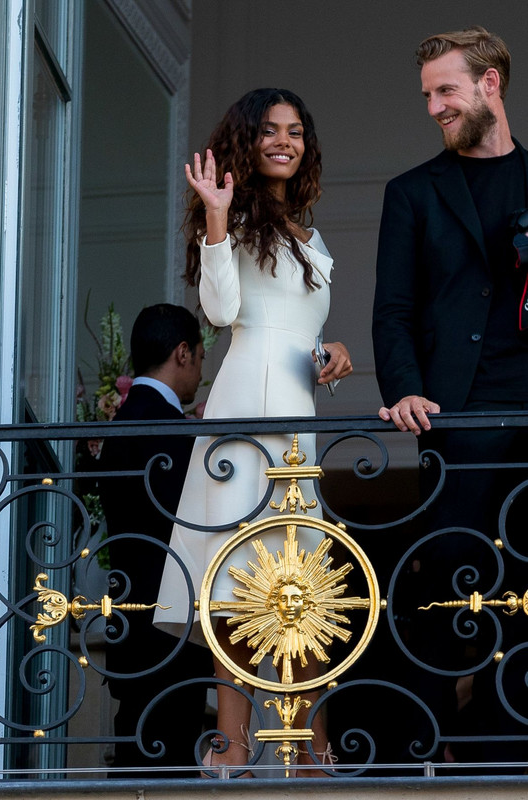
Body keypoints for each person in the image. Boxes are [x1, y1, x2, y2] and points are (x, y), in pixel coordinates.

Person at [154, 88, 353, 776]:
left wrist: (330, 354)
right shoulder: (234, 214)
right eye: (270, 130)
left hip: (297, 409)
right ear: (247, 140)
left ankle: (312, 749)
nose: (284, 140)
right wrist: (215, 218)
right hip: (248, 407)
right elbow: (222, 310)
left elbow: (295, 327)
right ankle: (234, 746)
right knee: (240, 581)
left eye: (295, 131)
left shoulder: (309, 232)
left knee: (305, 587)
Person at [372, 27, 528, 766]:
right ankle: (438, 749)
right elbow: (393, 310)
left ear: (491, 83)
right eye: (428, 94)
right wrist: (404, 387)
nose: (434, 106)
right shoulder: (411, 193)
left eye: (447, 91)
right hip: (458, 415)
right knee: (454, 579)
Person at [99, 303, 212, 776]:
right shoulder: (170, 429)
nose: (200, 371)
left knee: (137, 748)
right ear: (182, 353)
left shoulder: (124, 423)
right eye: (202, 359)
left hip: (130, 617)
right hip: (169, 624)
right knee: (165, 760)